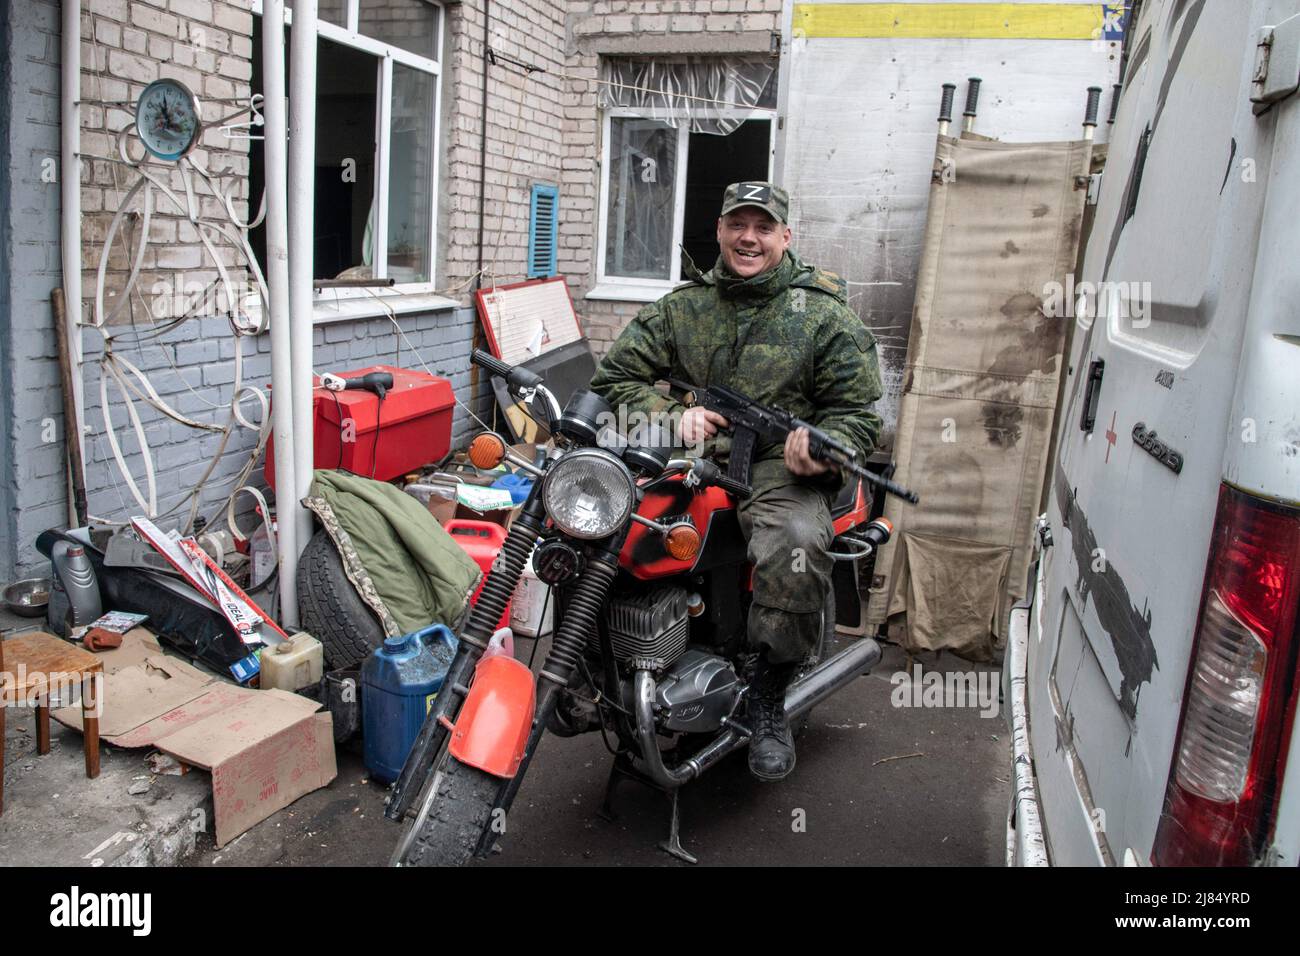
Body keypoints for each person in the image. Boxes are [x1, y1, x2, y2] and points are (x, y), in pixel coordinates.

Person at [590, 181, 883, 781]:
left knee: (796, 542)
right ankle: (615, 662)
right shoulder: (682, 307)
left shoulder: (822, 314)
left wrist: (824, 449)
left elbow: (859, 415)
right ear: (721, 230)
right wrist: (673, 415)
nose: (748, 238)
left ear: (785, 236)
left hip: (779, 465)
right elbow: (615, 378)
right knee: (600, 527)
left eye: (763, 227)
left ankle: (769, 693)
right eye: (737, 225)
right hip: (688, 457)